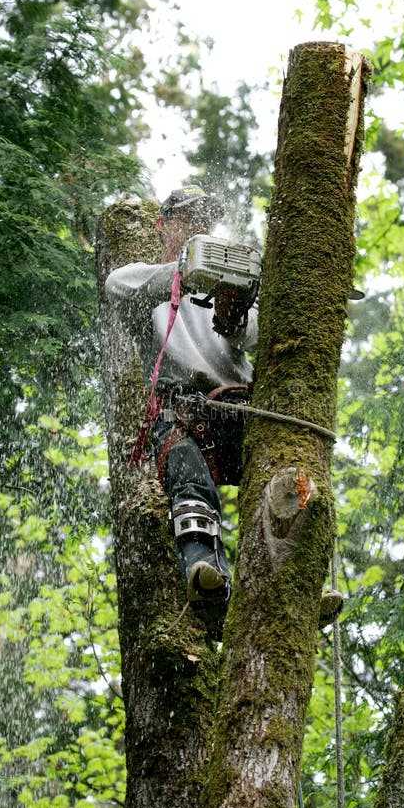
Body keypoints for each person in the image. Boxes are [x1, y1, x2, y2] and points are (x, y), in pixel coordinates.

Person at [105, 185, 256, 636]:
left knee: (280, 476)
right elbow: (118, 287)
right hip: (188, 412)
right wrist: (186, 271)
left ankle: (287, 572)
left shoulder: (235, 286)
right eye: (186, 220)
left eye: (203, 221)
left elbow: (263, 338)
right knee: (181, 457)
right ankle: (204, 568)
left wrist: (235, 310)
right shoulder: (148, 282)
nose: (196, 228)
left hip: (243, 408)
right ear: (164, 226)